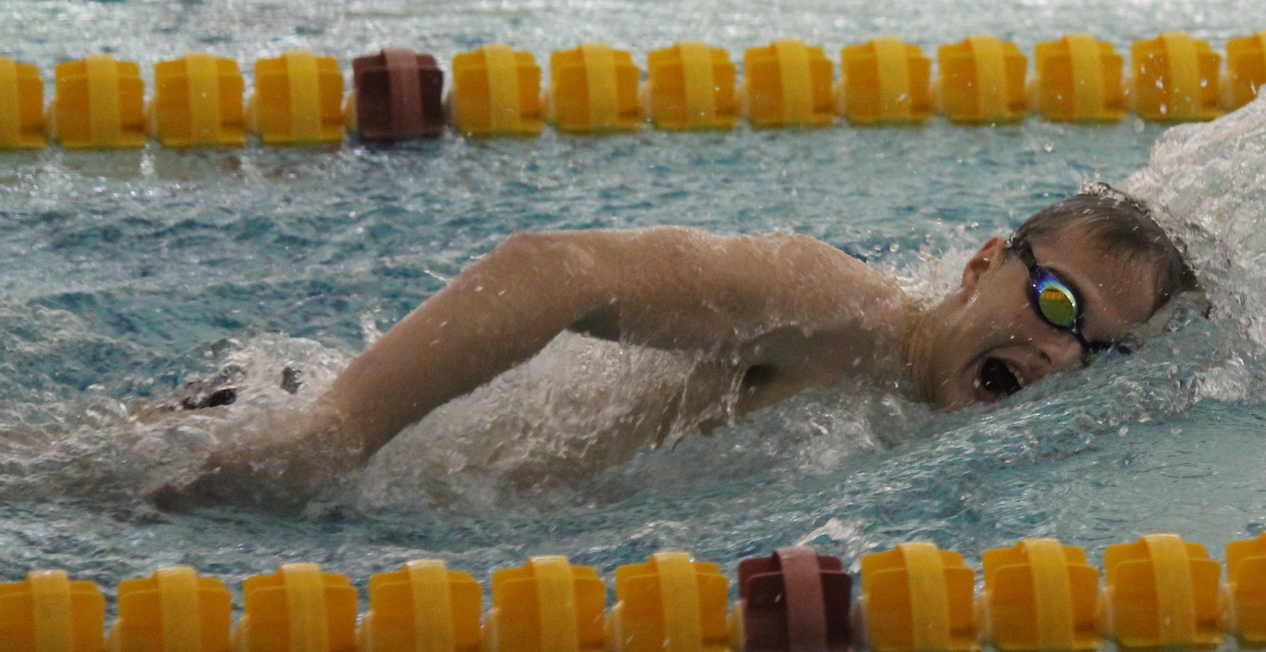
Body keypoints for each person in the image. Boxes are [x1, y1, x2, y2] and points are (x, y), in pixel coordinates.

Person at [151, 183, 1196, 511]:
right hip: (287, 431)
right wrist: (337, 429)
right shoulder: (834, 314)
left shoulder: (943, 417)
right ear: (980, 265)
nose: (1063, 354)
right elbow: (551, 266)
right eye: (1059, 304)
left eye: (1097, 347)